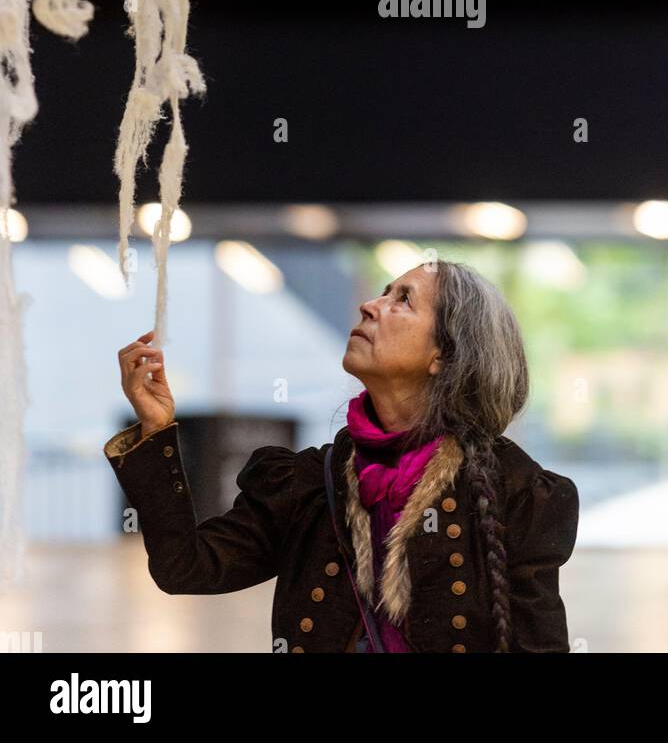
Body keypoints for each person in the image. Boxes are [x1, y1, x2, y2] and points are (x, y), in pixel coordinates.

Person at [104, 257, 579, 653]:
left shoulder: (514, 491)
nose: (370, 305)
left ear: (444, 355)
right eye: (383, 292)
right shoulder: (311, 480)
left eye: (403, 300)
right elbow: (186, 567)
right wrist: (155, 429)